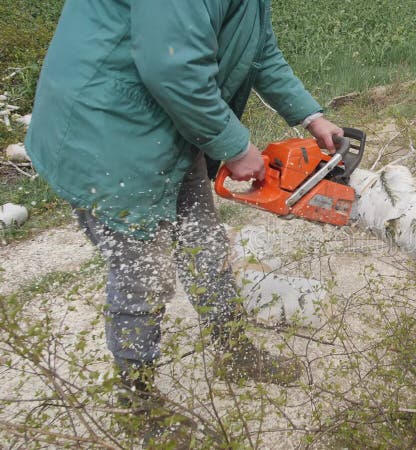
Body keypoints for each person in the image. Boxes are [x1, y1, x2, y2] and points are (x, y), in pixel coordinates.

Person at [24, 0, 340, 435]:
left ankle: (233, 348)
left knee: (205, 246)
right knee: (143, 273)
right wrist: (234, 146)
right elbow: (171, 67)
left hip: (168, 123)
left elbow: (258, 49)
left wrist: (311, 116)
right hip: (107, 130)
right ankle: (136, 402)